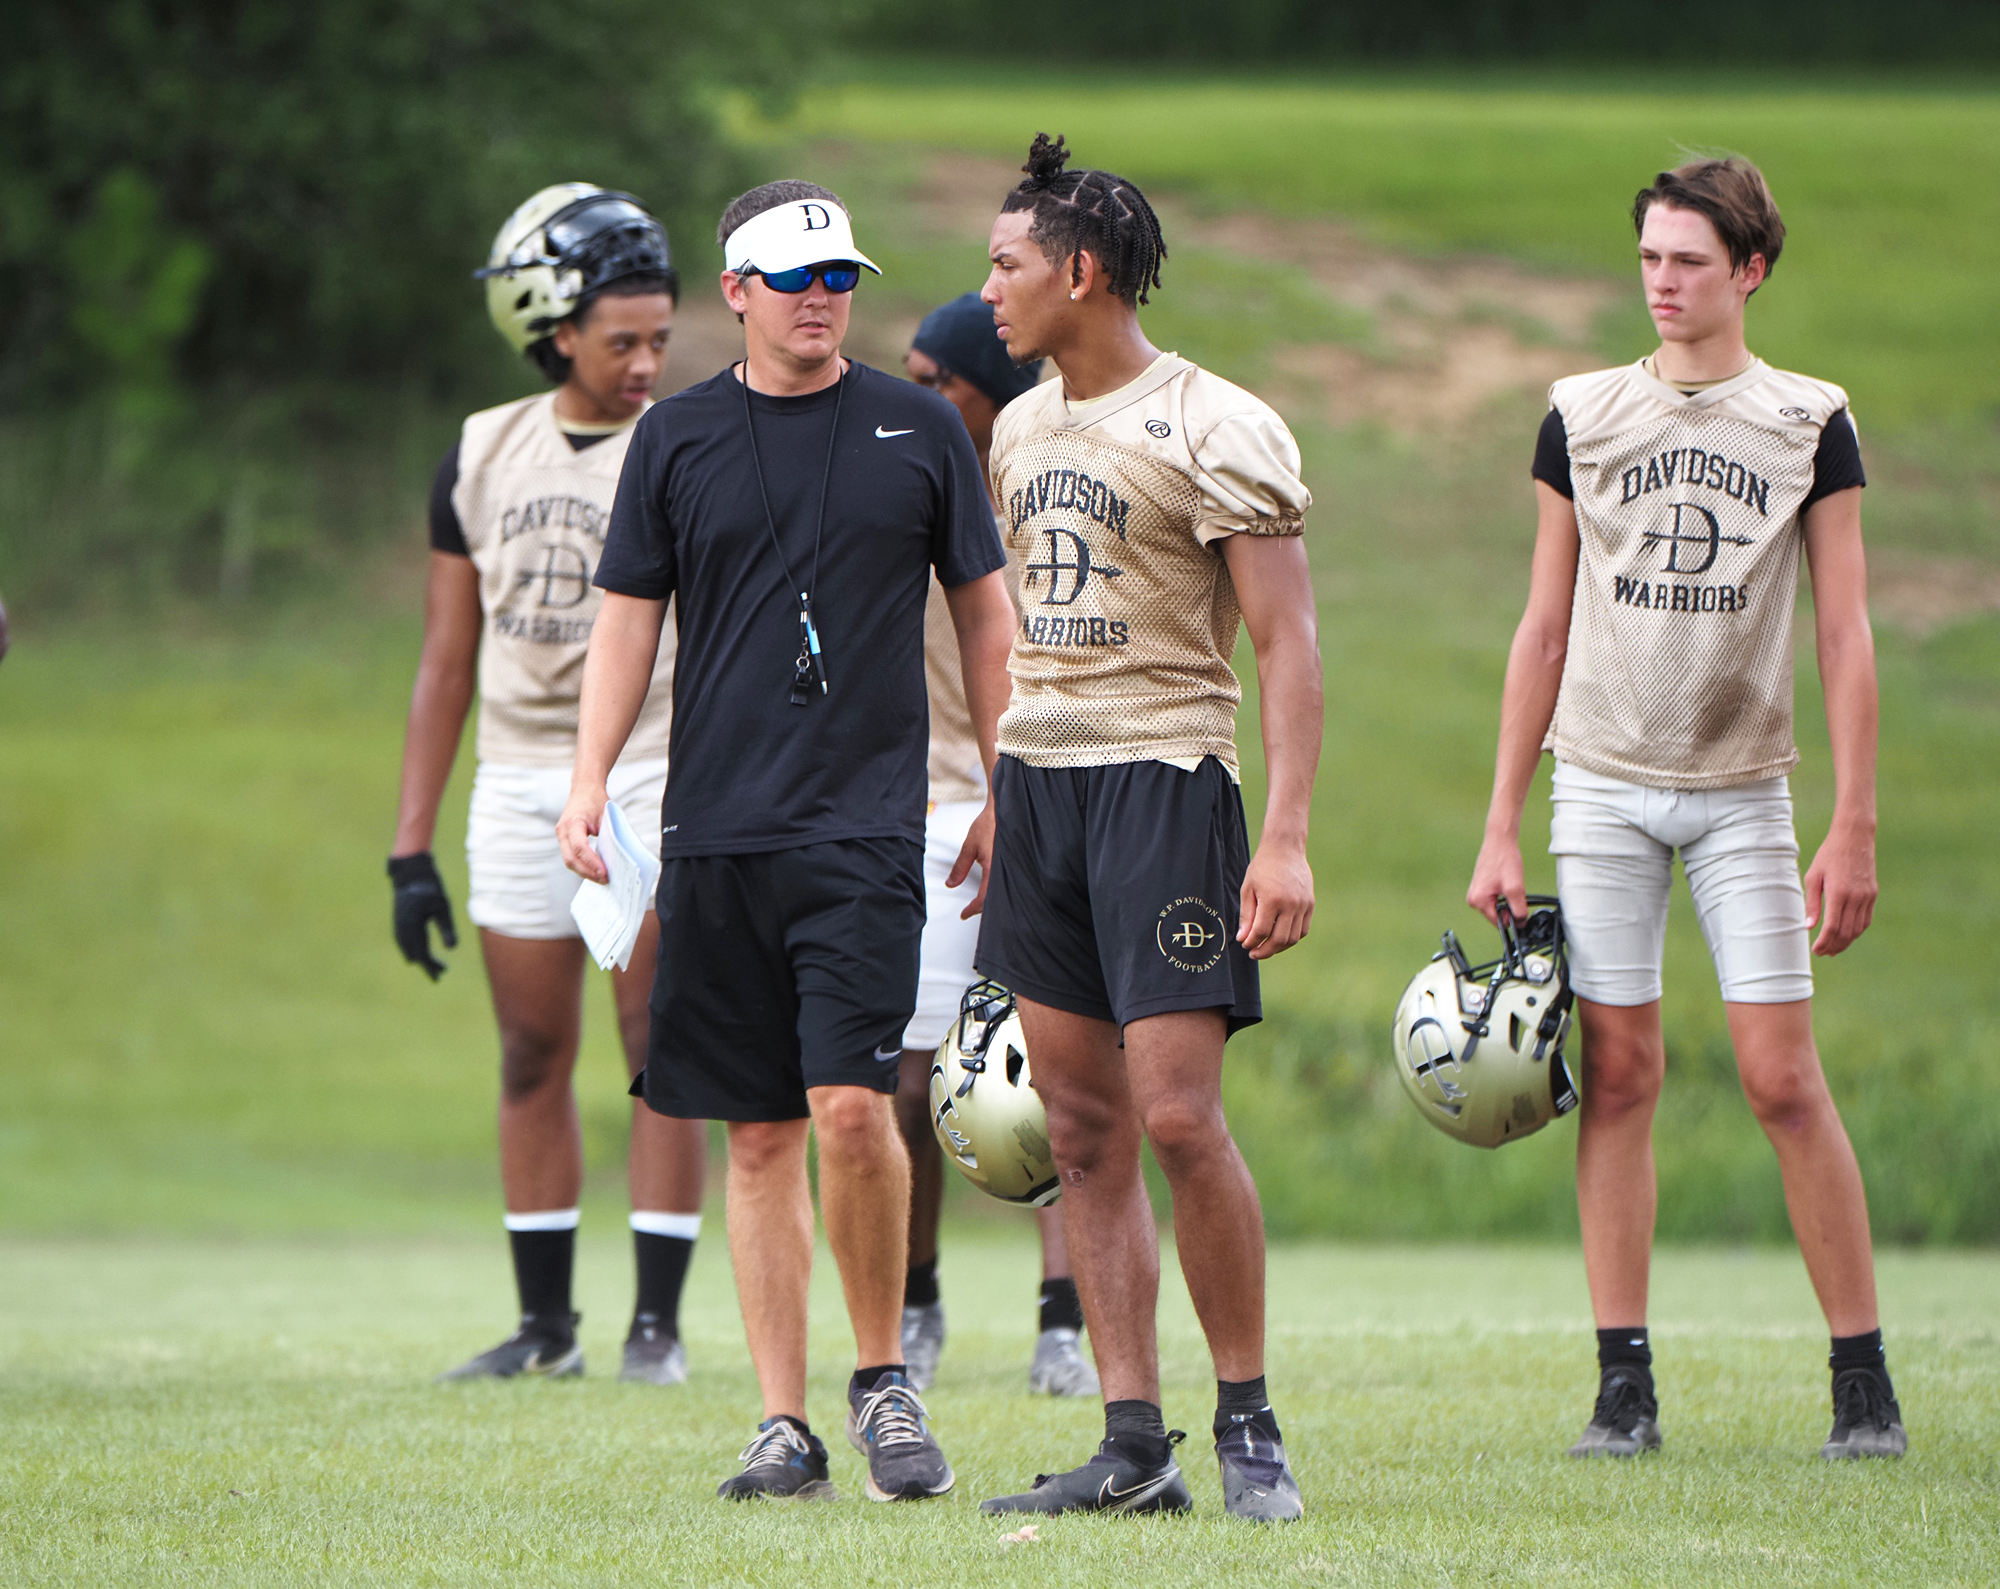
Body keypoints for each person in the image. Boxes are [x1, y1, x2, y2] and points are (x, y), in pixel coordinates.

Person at [557, 182, 1015, 1503]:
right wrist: (589, 780)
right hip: (714, 833)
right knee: (756, 1134)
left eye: (840, 278)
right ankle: (781, 1421)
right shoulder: (677, 440)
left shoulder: (921, 427)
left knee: (853, 1107)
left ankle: (880, 1383)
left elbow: (985, 621)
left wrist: (1006, 778)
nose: (823, 299)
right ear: (739, 289)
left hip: (870, 828)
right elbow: (629, 624)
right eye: (796, 277)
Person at [1465, 156, 1905, 1461]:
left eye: (1691, 262)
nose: (1663, 282)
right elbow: (1542, 625)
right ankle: (1623, 1384)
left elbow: (1845, 633)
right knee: (1619, 1076)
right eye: (1651, 258)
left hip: (1743, 795)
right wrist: (1501, 815)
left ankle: (1862, 1379)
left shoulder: (1809, 420)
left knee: (1781, 1079)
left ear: (1750, 270)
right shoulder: (1582, 413)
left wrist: (1856, 820)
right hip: (1597, 782)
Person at [972, 136, 1324, 1523]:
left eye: (1007, 264)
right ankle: (1135, 1444)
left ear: (1082, 270)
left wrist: (1282, 835)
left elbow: (1288, 645)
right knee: (1079, 1127)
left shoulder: (1221, 423)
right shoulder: (1014, 426)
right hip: (1044, 791)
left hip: (1167, 785)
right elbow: (1025, 638)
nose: (988, 289)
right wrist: (1002, 797)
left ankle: (1248, 1421)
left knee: (1178, 1114)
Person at [388, 185, 706, 1385]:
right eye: (619, 339)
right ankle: (545, 1326)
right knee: (529, 1049)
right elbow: (445, 660)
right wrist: (409, 846)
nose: (644, 362)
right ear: (552, 331)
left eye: (658, 340)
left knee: (657, 1044)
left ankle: (656, 1324)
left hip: (649, 772)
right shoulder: (477, 452)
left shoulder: (684, 447)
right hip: (515, 780)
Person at [895, 293, 1098, 1400]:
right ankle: (916, 1300)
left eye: (940, 382)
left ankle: (1059, 1322)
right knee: (907, 1077)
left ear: (995, 397)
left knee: (1062, 1075)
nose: (916, 396)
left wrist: (1019, 792)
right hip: (925, 807)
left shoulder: (1047, 499)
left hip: (1042, 798)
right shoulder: (897, 486)